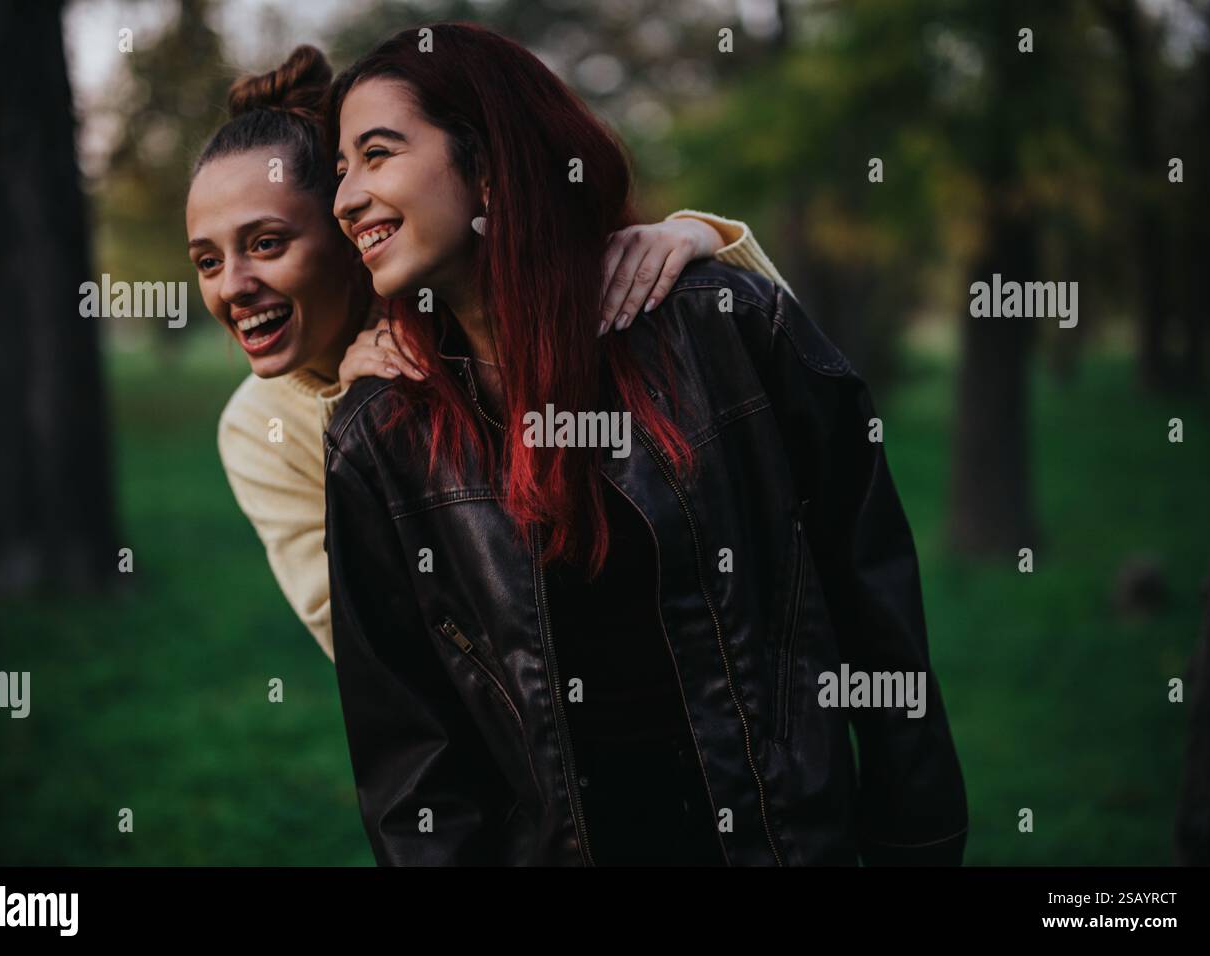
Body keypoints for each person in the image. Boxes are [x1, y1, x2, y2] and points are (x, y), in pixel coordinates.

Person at [324, 22, 968, 866]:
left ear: (489, 158)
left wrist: (916, 842)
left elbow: (877, 616)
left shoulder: (725, 329)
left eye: (377, 154)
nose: (345, 199)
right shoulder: (381, 437)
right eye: (341, 171)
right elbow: (410, 759)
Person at [184, 45, 793, 662]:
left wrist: (699, 235)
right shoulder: (257, 430)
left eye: (267, 243)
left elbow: (789, 395)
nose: (233, 284)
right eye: (207, 261)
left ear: (347, 237)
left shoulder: (454, 303)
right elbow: (369, 642)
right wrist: (350, 424)